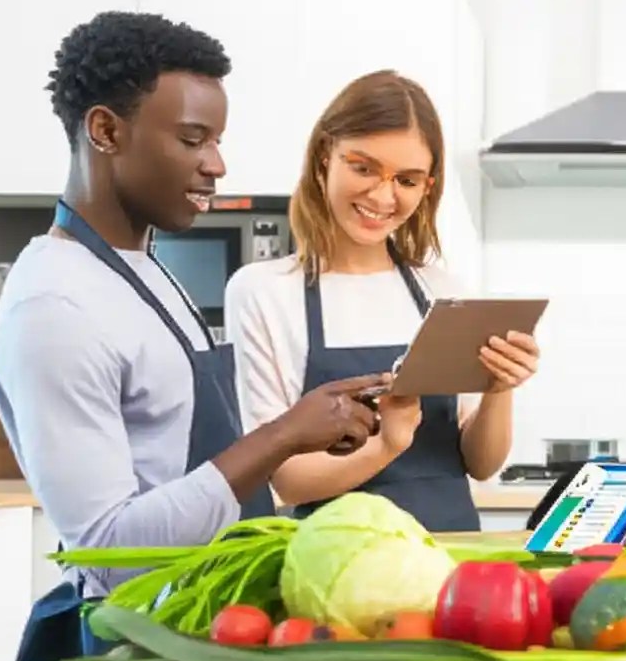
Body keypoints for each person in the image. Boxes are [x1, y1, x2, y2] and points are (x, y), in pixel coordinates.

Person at [0, 11, 392, 661]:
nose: (217, 164)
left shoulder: (141, 268)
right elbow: (112, 553)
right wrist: (283, 435)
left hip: (212, 627)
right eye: (193, 139)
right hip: (147, 645)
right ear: (105, 131)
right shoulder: (54, 307)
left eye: (217, 141)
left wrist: (305, 424)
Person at [223, 70, 540, 533]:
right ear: (323, 158)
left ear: (426, 187)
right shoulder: (264, 292)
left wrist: (500, 389)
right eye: (363, 167)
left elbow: (482, 464)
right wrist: (386, 445)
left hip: (451, 559)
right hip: (335, 566)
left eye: (407, 180)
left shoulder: (443, 290)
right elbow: (285, 481)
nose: (382, 195)